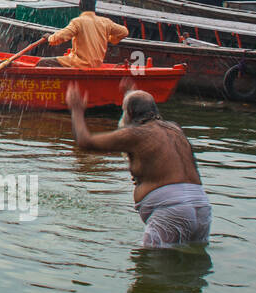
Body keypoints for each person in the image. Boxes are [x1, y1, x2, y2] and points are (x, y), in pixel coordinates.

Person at [65, 85, 212, 248]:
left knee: (150, 269)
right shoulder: (175, 129)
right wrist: (130, 92)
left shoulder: (137, 135)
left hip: (172, 211)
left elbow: (86, 142)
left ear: (129, 114)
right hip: (201, 207)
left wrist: (77, 110)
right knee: (192, 267)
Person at [37, 0, 129, 66]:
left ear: (80, 7)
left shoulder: (78, 22)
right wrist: (111, 39)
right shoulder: (105, 22)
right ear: (94, 7)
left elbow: (60, 37)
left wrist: (49, 38)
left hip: (80, 63)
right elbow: (124, 32)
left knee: (42, 62)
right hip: (97, 64)